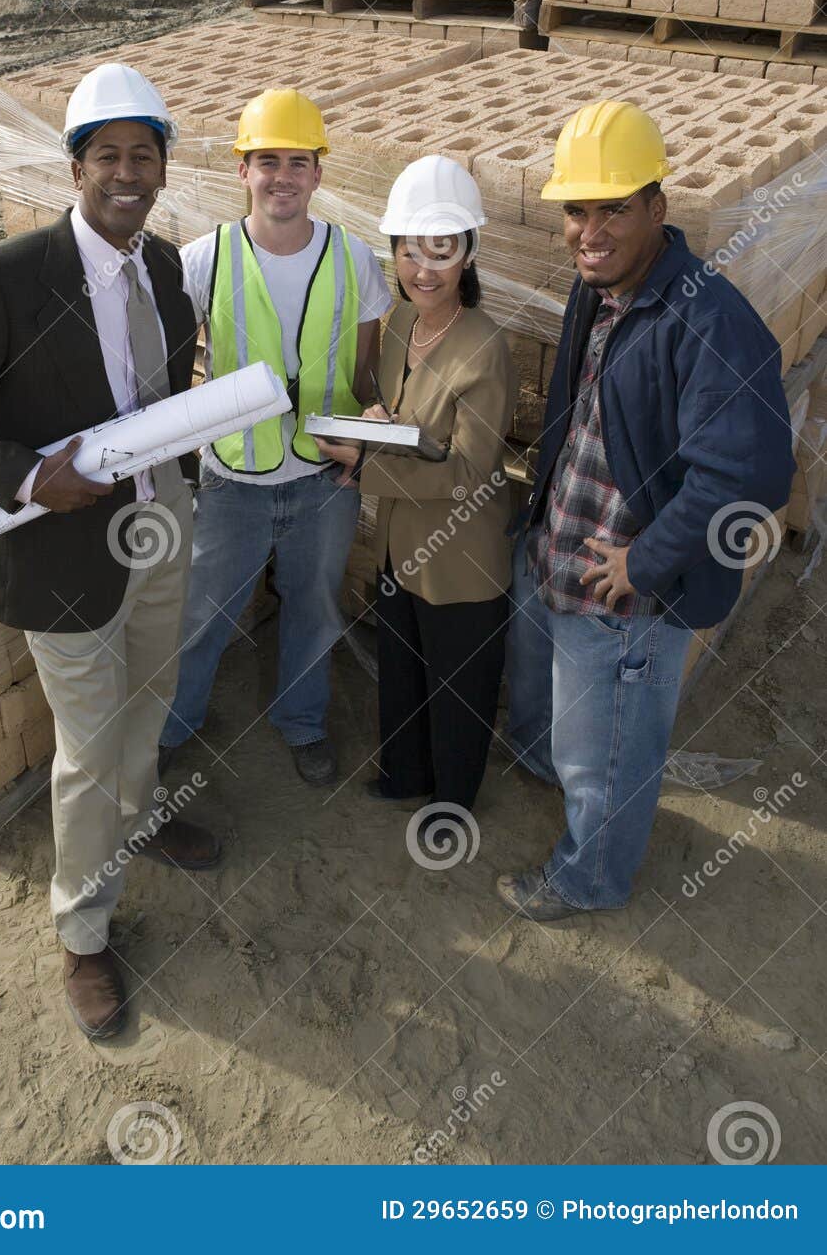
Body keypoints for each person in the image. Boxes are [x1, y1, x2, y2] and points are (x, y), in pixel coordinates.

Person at [0, 62, 221, 1040]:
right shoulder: (5, 280)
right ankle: (83, 932)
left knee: (149, 704)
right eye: (107, 157)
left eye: (144, 155)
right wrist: (34, 478)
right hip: (64, 558)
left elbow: (162, 392)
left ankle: (137, 824)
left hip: (159, 528)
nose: (128, 173)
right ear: (74, 169)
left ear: (162, 166)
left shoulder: (163, 267)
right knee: (88, 747)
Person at [500, 99, 795, 922]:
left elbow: (752, 471)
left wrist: (643, 561)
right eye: (577, 210)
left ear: (658, 209)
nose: (589, 230)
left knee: (609, 761)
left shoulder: (709, 320)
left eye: (614, 209)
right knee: (571, 736)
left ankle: (588, 879)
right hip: (558, 555)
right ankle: (555, 780)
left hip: (626, 596)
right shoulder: (596, 289)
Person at [158, 87, 392, 784]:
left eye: (298, 160)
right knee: (202, 614)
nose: (282, 176)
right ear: (242, 171)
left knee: (315, 610)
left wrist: (368, 445)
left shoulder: (355, 261)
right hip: (232, 480)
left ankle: (302, 722)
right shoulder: (204, 259)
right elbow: (171, 375)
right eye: (267, 160)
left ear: (319, 172)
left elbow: (365, 374)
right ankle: (173, 725)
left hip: (323, 482)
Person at [315, 155, 517, 816]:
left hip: (460, 562)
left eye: (442, 251)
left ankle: (450, 804)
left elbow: (469, 473)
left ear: (467, 256)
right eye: (409, 250)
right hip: (400, 546)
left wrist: (365, 463)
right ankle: (403, 777)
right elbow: (402, 414)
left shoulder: (485, 348)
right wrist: (377, 423)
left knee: (457, 692)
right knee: (401, 674)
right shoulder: (401, 324)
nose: (422, 269)